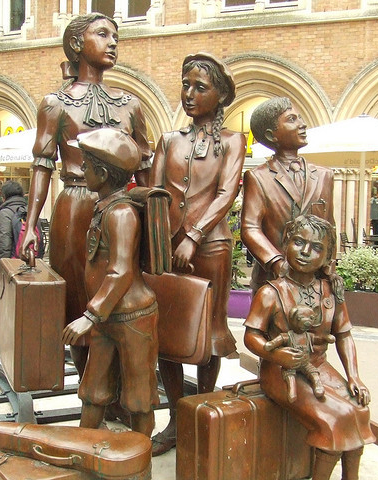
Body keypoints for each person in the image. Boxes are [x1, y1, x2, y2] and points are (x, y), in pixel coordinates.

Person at [19, 13, 152, 377]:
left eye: (116, 37)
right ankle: (89, 388)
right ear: (77, 44)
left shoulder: (131, 104)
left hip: (123, 206)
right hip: (75, 205)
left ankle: (119, 387)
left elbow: (145, 169)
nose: (113, 42)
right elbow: (41, 166)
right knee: (77, 294)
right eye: (103, 34)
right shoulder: (55, 103)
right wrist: (29, 226)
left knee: (121, 288)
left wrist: (157, 214)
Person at [149, 52, 246, 455]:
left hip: (211, 247)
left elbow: (227, 192)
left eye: (200, 87)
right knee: (165, 333)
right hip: (164, 248)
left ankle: (201, 409)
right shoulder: (170, 140)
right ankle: (175, 417)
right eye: (185, 84)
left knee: (210, 333)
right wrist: (155, 242)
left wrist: (193, 234)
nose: (189, 93)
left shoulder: (232, 141)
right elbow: (154, 194)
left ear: (220, 96)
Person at [244, 214, 375, 480]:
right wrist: (276, 353)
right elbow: (251, 336)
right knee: (335, 419)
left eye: (316, 248)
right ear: (285, 244)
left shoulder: (329, 290)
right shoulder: (271, 292)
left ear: (327, 256)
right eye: (298, 242)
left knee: (360, 410)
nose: (305, 252)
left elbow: (344, 335)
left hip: (318, 366)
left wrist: (354, 376)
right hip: (280, 373)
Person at [61, 128, 158, 437]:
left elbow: (120, 271)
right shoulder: (103, 208)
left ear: (101, 173)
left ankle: (140, 464)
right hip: (107, 319)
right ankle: (84, 453)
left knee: (139, 399)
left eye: (86, 166)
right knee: (93, 390)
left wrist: (90, 316)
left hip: (132, 319)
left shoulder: (121, 214)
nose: (80, 170)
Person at [241, 97, 335, 295]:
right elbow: (250, 228)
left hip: (316, 280)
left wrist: (329, 265)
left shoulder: (325, 176)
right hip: (273, 281)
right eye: (292, 119)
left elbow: (329, 228)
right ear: (271, 134)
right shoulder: (258, 177)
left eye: (300, 118)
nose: (302, 124)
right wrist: (277, 263)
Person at [264, 303, 335, 403]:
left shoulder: (308, 336)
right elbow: (279, 340)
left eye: (311, 318)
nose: (307, 322)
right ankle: (292, 391)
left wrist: (326, 338)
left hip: (305, 362)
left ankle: (317, 386)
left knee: (313, 372)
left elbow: (318, 340)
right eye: (301, 318)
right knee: (290, 375)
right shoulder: (288, 336)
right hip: (291, 363)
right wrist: (271, 344)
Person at [0, 181, 27, 260]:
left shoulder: (5, 213)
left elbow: (4, 244)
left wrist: (1, 267)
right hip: (32, 261)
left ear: (4, 196)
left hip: (13, 264)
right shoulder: (30, 210)